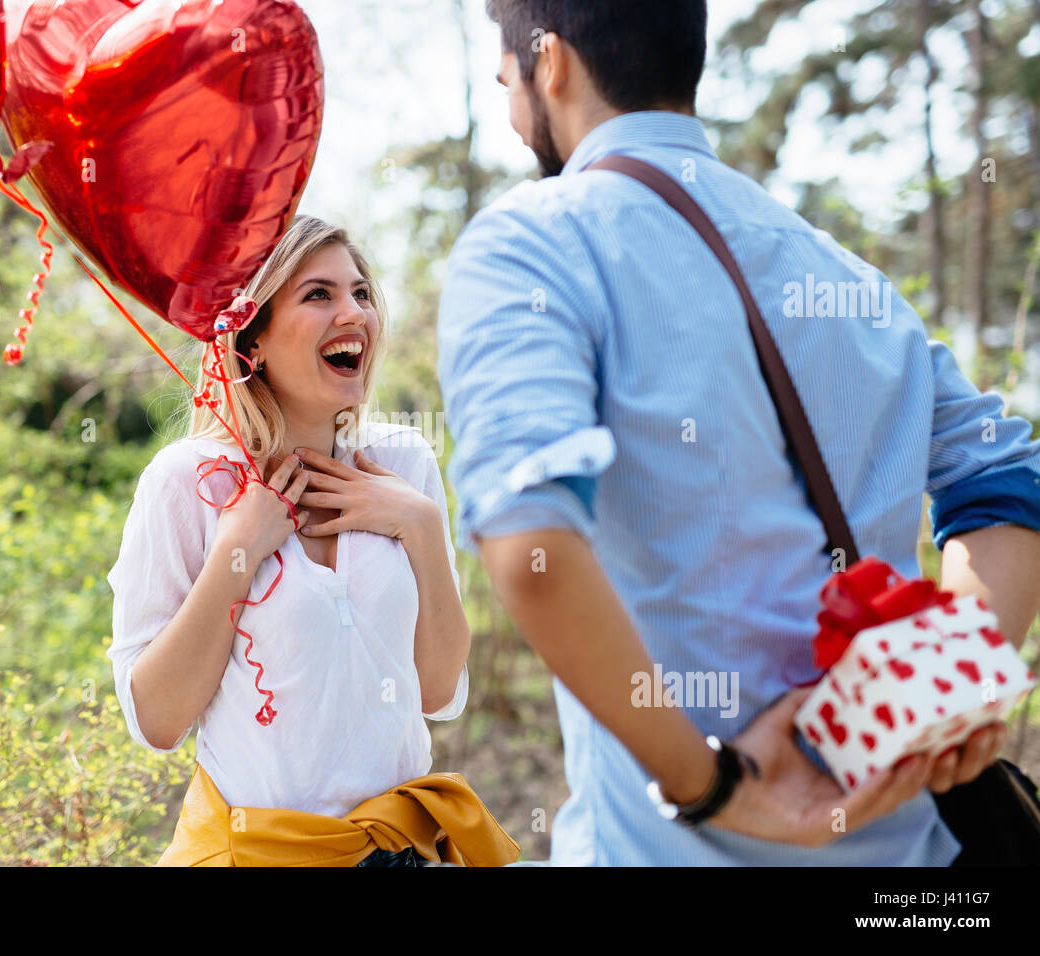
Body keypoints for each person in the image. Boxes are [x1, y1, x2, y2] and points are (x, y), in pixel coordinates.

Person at [436, 0, 1040, 865]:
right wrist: (943, 695)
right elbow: (1006, 478)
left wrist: (715, 787)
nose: (507, 99)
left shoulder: (531, 245)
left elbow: (530, 542)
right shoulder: (844, 275)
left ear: (552, 64)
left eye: (506, 76)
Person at [106, 215, 519, 866]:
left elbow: (437, 690)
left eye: (361, 293)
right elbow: (156, 720)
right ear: (256, 339)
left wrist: (420, 527)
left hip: (403, 853)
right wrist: (236, 552)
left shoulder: (404, 465)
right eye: (318, 295)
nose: (353, 311)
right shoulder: (186, 484)